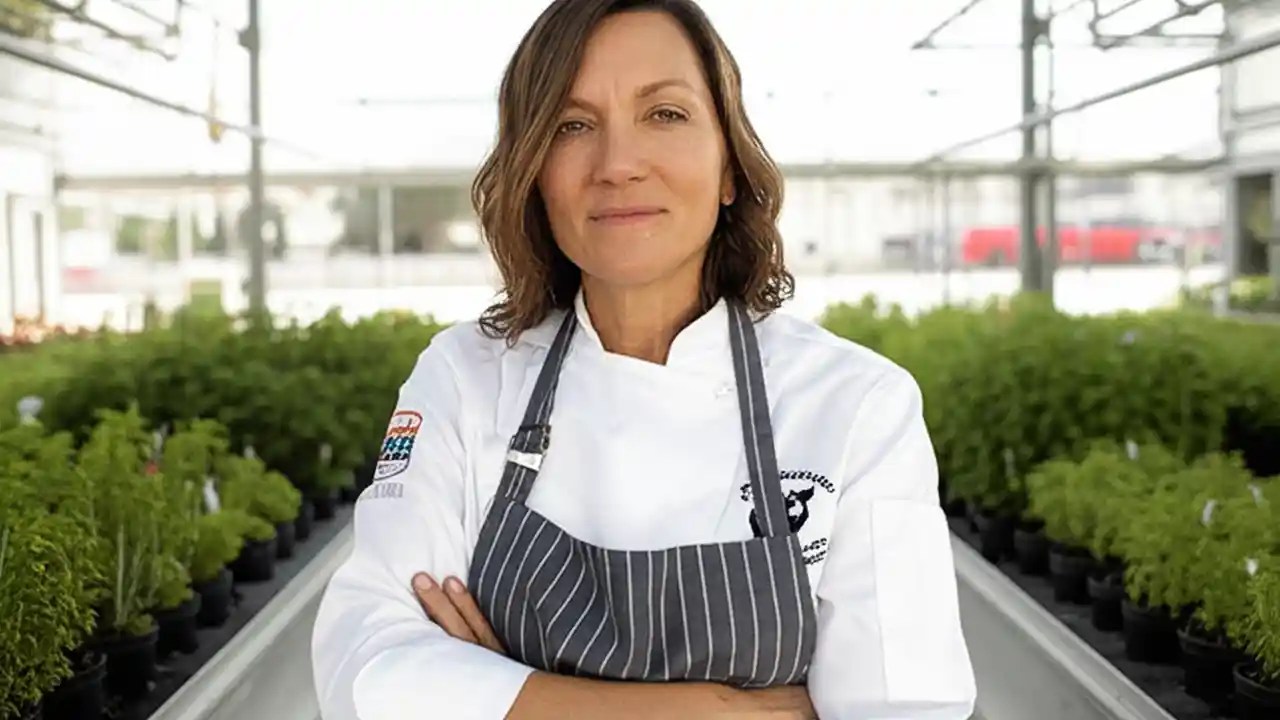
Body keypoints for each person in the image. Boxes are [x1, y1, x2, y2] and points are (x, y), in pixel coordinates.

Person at [310, 0, 977, 717]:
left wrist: (503, 691)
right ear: (535, 173)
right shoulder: (465, 378)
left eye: (666, 115)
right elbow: (365, 667)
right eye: (572, 126)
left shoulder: (854, 406)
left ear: (730, 167)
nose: (618, 165)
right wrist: (716, 711)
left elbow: (907, 708)